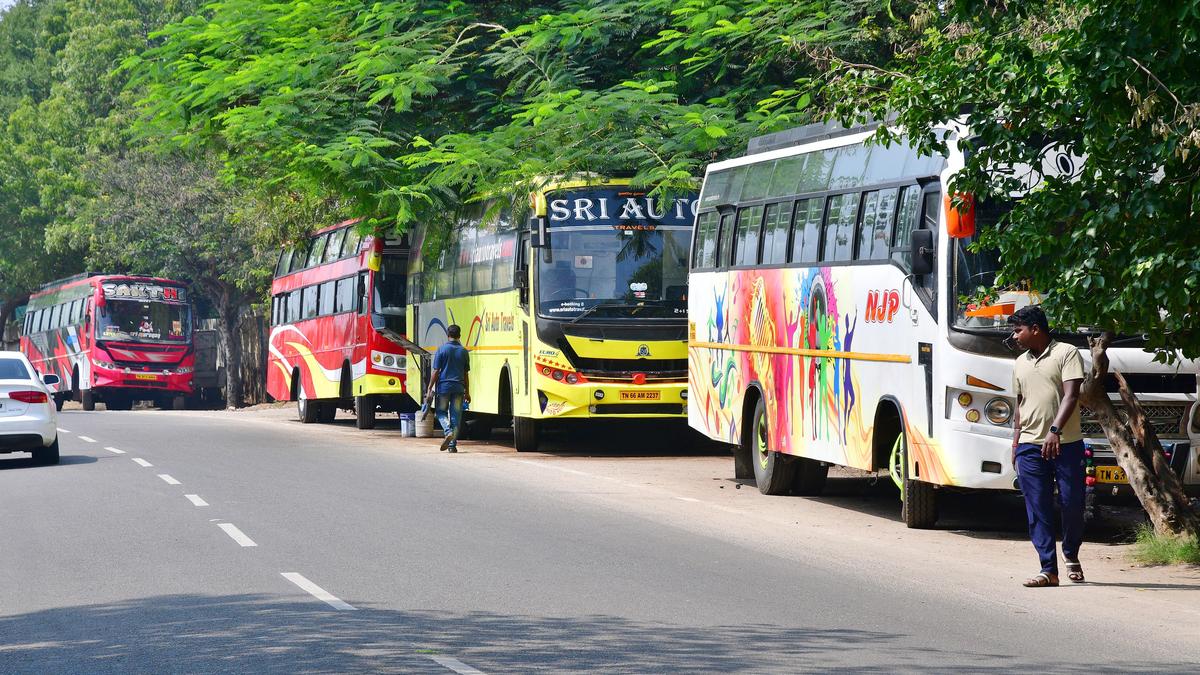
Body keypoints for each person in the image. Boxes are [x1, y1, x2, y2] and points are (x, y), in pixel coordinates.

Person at [1008, 306, 1087, 587]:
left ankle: (1071, 555)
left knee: (1072, 504)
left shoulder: (1066, 353)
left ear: (1035, 329)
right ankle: (1048, 570)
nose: (1015, 336)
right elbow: (1020, 403)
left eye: (1019, 330)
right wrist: (1016, 441)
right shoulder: (1020, 362)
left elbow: (1072, 395)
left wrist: (1054, 431)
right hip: (1030, 445)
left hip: (1066, 444)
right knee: (1037, 508)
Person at [426, 324, 470, 453]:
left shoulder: (442, 350)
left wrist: (429, 387)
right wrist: (467, 392)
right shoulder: (463, 351)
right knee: (455, 417)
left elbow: (435, 371)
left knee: (440, 413)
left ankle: (447, 430)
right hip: (458, 388)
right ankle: (452, 446)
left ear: (448, 335)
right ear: (459, 336)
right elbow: (465, 374)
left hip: (444, 387)